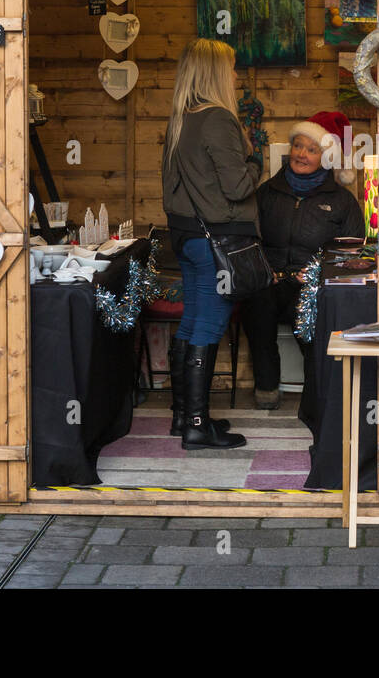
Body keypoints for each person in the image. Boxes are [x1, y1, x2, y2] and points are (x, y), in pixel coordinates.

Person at [161, 38, 261, 450]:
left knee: (190, 322)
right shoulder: (218, 118)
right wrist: (257, 162)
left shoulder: (181, 118)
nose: (236, 76)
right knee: (208, 325)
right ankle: (198, 426)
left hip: (187, 237)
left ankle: (184, 416)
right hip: (216, 241)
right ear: (217, 73)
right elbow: (237, 186)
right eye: (232, 68)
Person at [243, 111, 365, 410]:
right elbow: (248, 238)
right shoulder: (267, 192)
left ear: (326, 157)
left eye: (312, 149)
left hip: (311, 284)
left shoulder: (341, 200)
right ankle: (267, 387)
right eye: (298, 146)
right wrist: (263, 271)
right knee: (256, 306)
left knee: (310, 321)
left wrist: (314, 276)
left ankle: (316, 396)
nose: (301, 154)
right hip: (270, 279)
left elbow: (350, 251)